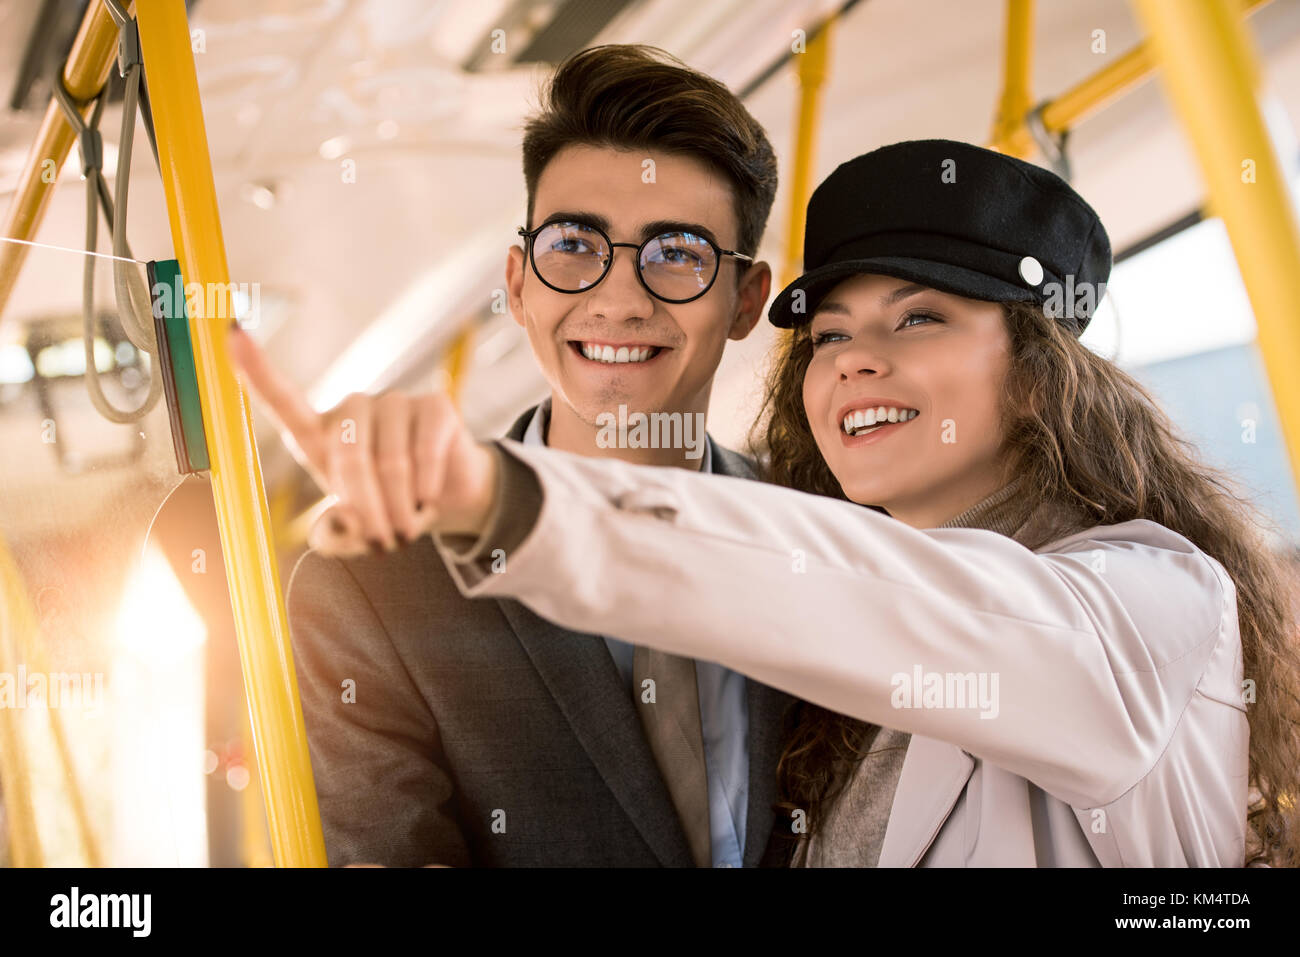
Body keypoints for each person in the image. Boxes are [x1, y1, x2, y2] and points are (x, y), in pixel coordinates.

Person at [330, 139, 1300, 866]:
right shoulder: (841, 690)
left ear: (1044, 377)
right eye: (828, 336)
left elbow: (924, 607)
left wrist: (510, 496)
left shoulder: (1150, 602)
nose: (855, 361)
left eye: (919, 317)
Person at [229, 44, 799, 866]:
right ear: (520, 282)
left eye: (677, 254)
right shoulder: (371, 592)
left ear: (746, 301)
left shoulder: (824, 540)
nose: (618, 299)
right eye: (574, 244)